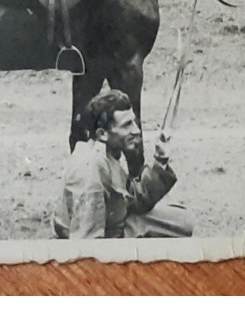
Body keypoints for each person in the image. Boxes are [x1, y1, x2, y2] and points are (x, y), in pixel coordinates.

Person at [52, 89, 194, 239]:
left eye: (134, 122)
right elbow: (87, 240)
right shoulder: (89, 172)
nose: (137, 130)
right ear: (102, 134)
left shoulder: (106, 153)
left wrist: (161, 159)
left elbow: (134, 199)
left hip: (112, 222)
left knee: (183, 221)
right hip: (96, 238)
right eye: (127, 125)